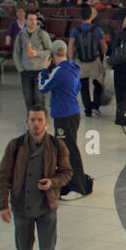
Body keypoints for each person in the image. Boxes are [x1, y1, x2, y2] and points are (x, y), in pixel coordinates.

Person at [0, 105, 72, 250]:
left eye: (40, 120)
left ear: (46, 122)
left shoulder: (57, 146)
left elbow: (67, 172)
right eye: (32, 120)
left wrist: (53, 182)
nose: (36, 124)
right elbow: (3, 176)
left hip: (47, 208)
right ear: (26, 122)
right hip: (22, 209)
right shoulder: (16, 146)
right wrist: (3, 204)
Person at [38, 41, 90, 200]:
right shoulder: (73, 68)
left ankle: (78, 187)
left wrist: (44, 69)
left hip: (63, 114)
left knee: (69, 151)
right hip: (72, 112)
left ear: (52, 55)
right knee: (66, 150)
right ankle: (70, 184)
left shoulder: (59, 71)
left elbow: (43, 87)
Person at [69, 4, 107, 117]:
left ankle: (87, 110)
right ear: (91, 16)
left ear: (81, 17)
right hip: (94, 61)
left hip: (81, 62)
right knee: (98, 84)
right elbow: (103, 46)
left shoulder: (75, 30)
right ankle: (95, 106)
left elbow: (70, 46)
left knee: (84, 87)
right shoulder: (97, 30)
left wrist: (71, 61)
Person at [12, 10, 52, 111]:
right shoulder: (20, 35)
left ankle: (42, 121)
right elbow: (16, 53)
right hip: (26, 71)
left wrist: (37, 53)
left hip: (39, 69)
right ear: (25, 20)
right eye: (30, 19)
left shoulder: (42, 34)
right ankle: (31, 122)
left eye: (35, 19)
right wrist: (20, 68)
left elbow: (50, 51)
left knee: (39, 98)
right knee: (28, 98)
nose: (33, 22)